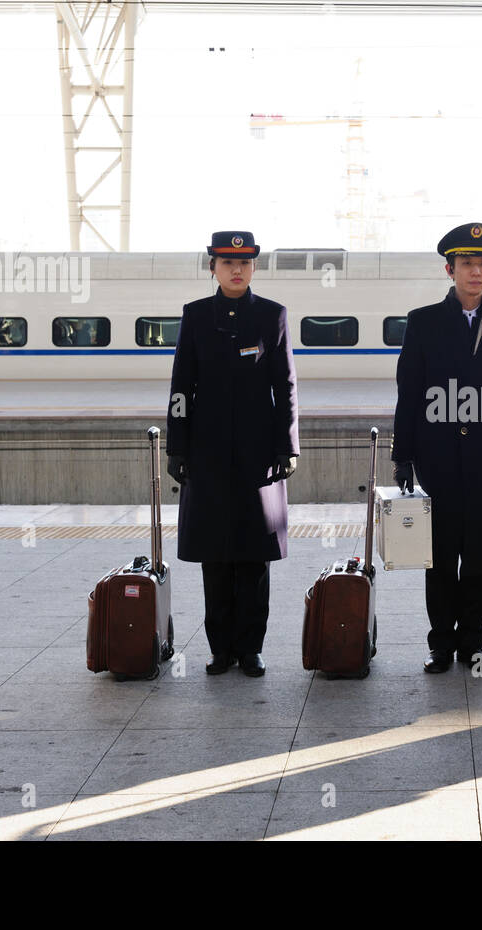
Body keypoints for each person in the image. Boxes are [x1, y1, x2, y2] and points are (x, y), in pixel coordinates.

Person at [392, 222, 482, 674]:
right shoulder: (424, 322)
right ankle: (440, 646)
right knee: (440, 560)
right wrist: (403, 456)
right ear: (449, 269)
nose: (477, 271)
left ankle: (474, 644)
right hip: (438, 463)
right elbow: (409, 393)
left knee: (481, 561)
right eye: (468, 263)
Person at [166, 231, 299, 678]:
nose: (236, 269)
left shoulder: (271, 316)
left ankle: (251, 649)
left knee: (253, 555)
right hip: (206, 454)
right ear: (213, 268)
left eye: (244, 262)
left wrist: (288, 446)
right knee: (215, 555)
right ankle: (220, 649)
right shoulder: (196, 316)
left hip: (259, 455)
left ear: (254, 267)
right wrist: (177, 445)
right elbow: (182, 386)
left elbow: (286, 387)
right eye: (227, 262)